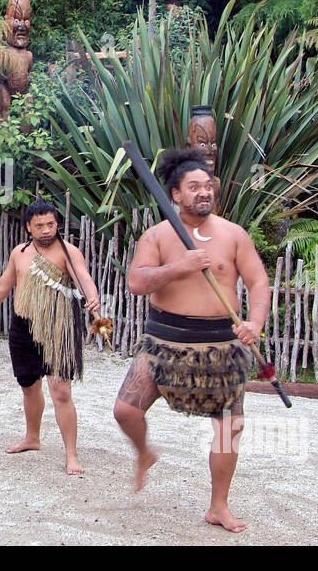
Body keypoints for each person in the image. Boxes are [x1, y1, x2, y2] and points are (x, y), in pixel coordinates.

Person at [113, 147, 270, 533]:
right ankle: (145, 452)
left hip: (221, 345)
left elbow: (258, 282)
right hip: (164, 340)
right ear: (176, 195)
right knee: (125, 410)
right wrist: (179, 265)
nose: (204, 192)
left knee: (229, 428)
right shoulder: (157, 236)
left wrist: (255, 322)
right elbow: (135, 282)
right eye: (194, 186)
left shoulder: (233, 234)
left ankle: (219, 506)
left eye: (208, 186)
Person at [0, 199, 100, 475]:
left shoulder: (68, 252)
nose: (46, 230)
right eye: (40, 225)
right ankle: (32, 438)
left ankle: (71, 455)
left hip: (57, 327)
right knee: (28, 386)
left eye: (51, 224)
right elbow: (3, 285)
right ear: (28, 227)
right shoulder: (19, 253)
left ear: (57, 224)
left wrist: (93, 296)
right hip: (23, 326)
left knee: (61, 391)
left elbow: (83, 276)